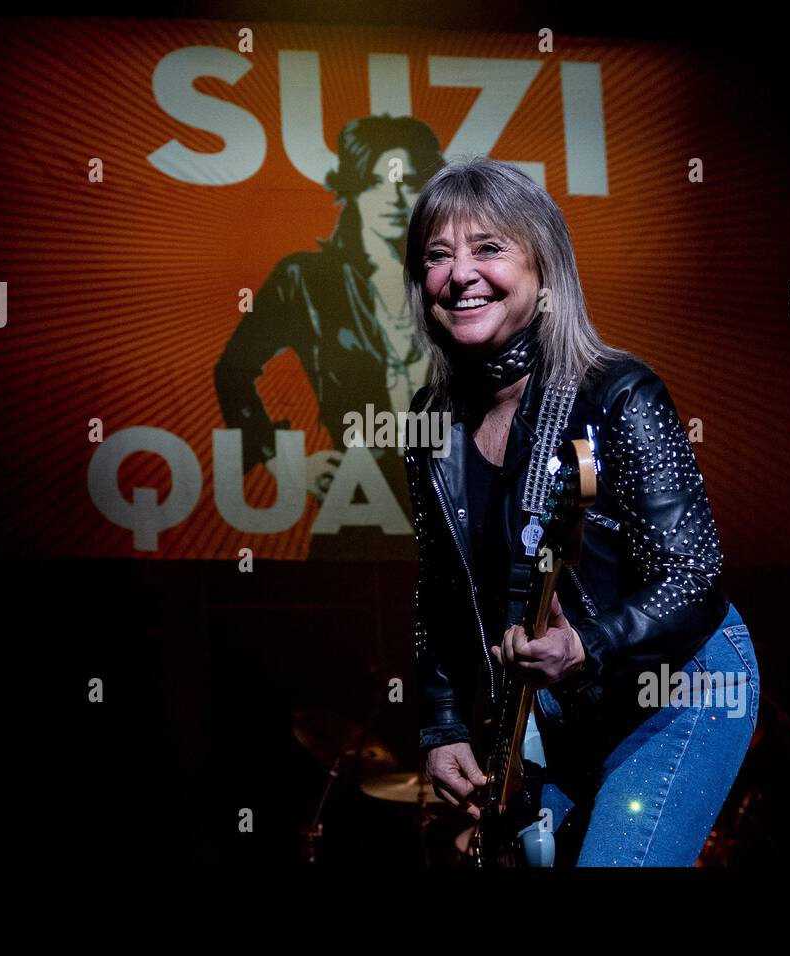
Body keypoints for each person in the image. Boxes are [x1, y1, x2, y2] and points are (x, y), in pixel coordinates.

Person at [402, 156, 760, 866]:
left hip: (683, 684)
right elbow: (441, 587)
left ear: (546, 270)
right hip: (559, 706)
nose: (460, 274)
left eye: (489, 248)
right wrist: (443, 726)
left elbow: (693, 576)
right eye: (437, 256)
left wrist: (587, 645)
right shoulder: (429, 424)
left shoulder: (617, 393)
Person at [213, 114, 445, 560]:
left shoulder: (458, 280)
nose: (396, 198)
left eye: (410, 182)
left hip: (452, 513)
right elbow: (233, 371)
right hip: (358, 509)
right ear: (352, 190)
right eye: (378, 182)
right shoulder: (306, 279)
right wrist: (282, 458)